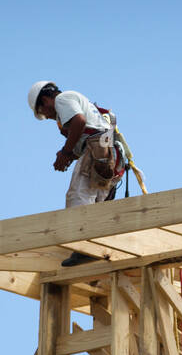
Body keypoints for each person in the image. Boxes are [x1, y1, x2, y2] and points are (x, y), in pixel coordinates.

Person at [26, 80, 129, 266]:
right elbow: (85, 132)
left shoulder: (63, 99)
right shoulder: (79, 102)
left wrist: (65, 152)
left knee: (78, 196)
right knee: (96, 204)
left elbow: (79, 122)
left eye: (42, 112)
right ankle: (98, 248)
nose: (47, 117)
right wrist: (68, 155)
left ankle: (84, 248)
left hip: (96, 150)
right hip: (107, 158)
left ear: (45, 100)